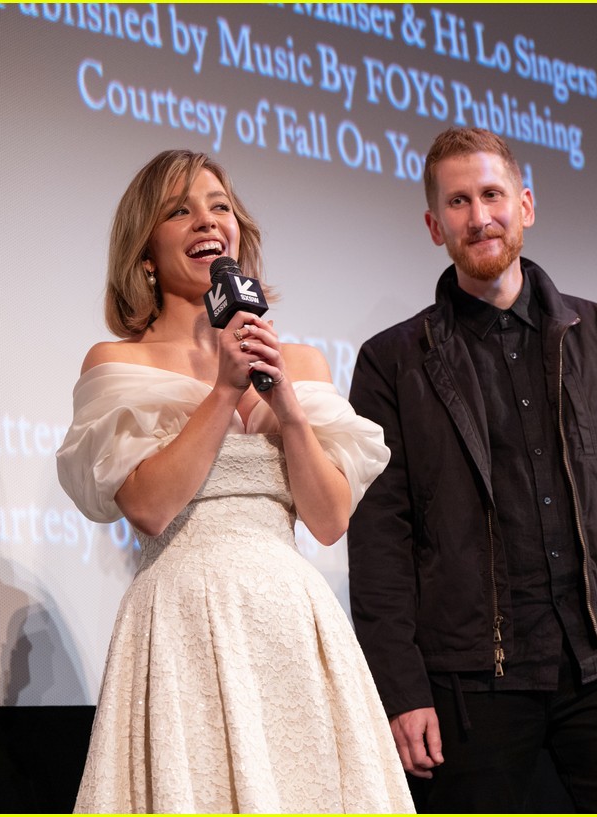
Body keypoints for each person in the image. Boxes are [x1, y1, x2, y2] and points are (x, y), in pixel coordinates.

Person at [346, 127, 597, 813]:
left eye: (491, 195)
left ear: (526, 204)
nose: (479, 216)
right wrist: (400, 687)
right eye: (458, 202)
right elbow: (379, 543)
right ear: (434, 226)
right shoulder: (391, 362)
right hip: (470, 682)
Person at [55, 149, 414, 813]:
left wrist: (288, 409)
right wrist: (223, 392)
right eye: (179, 210)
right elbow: (150, 507)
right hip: (185, 623)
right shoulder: (117, 363)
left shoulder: (297, 359)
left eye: (219, 206)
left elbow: (330, 518)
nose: (206, 221)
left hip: (291, 624)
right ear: (144, 254)